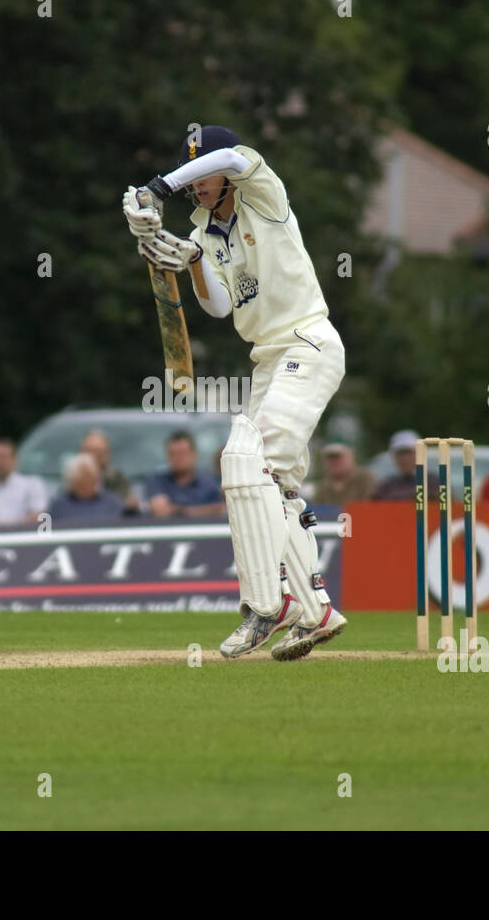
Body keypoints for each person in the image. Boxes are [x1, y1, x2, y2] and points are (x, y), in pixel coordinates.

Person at [124, 126, 346, 659]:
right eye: (190, 178)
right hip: (267, 359)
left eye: (203, 177)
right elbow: (219, 308)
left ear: (224, 175)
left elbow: (226, 154)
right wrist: (192, 262)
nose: (197, 187)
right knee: (281, 487)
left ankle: (267, 606)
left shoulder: (263, 193)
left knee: (246, 461)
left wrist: (158, 187)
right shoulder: (203, 233)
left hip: (307, 340)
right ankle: (317, 613)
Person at [144, 430, 224, 518]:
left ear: (194, 455)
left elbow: (221, 509)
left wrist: (179, 510)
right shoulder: (157, 481)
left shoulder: (210, 483)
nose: (177, 458)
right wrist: (201, 510)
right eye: (172, 454)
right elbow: (161, 510)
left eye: (182, 453)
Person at [0, 437, 47, 525]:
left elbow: (38, 516)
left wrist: (3, 527)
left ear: (14, 459)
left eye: (4, 457)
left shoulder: (32, 485)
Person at [47, 453, 125, 521]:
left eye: (95, 475)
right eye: (86, 477)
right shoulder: (59, 506)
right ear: (72, 480)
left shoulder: (113, 503)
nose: (93, 480)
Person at [80, 430, 138, 512]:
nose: (95, 457)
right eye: (91, 452)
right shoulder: (74, 479)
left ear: (108, 454)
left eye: (100, 452)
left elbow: (126, 504)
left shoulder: (117, 478)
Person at [314, 441, 376, 506]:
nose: (334, 462)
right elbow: (315, 512)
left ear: (351, 457)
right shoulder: (322, 487)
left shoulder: (366, 480)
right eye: (329, 458)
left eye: (338, 457)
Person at [371, 430, 422, 501]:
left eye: (409, 453)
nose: (405, 459)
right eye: (400, 454)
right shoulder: (385, 488)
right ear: (394, 457)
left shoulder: (434, 484)